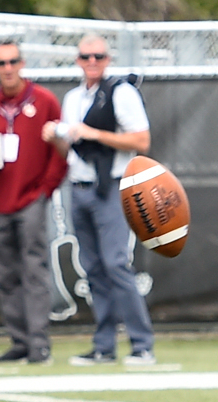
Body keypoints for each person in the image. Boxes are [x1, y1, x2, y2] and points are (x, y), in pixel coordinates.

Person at [43, 35, 157, 367]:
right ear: (77, 60)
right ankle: (104, 346)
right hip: (79, 188)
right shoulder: (72, 98)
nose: (92, 61)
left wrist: (94, 133)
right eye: (85, 56)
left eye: (98, 56)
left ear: (107, 59)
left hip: (113, 187)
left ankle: (142, 344)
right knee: (92, 268)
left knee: (116, 264)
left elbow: (142, 139)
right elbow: (70, 151)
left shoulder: (121, 92)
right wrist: (55, 139)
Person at [0, 40, 68, 365]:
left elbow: (61, 150)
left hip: (31, 198)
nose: (8, 68)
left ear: (23, 63)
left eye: (13, 61)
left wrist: (46, 190)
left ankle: (40, 344)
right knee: (6, 274)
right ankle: (20, 340)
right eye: (2, 63)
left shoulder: (44, 101)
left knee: (34, 270)